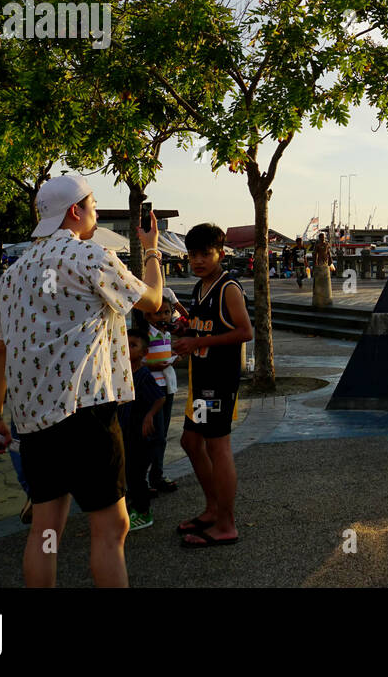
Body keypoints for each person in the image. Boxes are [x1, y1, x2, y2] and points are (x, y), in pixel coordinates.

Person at [0, 173, 166, 587]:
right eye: (94, 205)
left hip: (33, 422)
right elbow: (152, 300)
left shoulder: (12, 275)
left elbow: (1, 349)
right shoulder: (90, 257)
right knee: (110, 527)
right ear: (75, 211)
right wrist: (151, 252)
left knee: (46, 529)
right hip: (86, 414)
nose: (96, 214)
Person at [174, 223, 253, 548]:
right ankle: (212, 509)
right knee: (192, 443)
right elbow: (201, 331)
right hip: (202, 382)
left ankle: (226, 524)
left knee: (217, 447)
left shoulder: (227, 288)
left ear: (220, 253)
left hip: (218, 383)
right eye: (193, 255)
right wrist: (186, 337)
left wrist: (199, 341)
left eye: (205, 254)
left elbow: (245, 332)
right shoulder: (200, 288)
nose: (198, 260)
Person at [120, 326, 166, 531]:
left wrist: (149, 416)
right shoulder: (122, 372)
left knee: (136, 474)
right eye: (125, 344)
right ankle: (135, 507)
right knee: (130, 473)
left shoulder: (143, 374)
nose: (128, 349)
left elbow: (160, 397)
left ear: (143, 353)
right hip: (128, 433)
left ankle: (144, 512)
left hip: (142, 437)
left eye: (133, 345)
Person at [141, 290, 182, 495]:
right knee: (153, 435)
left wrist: (172, 354)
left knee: (163, 434)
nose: (164, 317)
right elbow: (138, 362)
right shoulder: (145, 336)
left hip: (168, 386)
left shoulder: (165, 333)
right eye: (158, 313)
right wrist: (154, 365)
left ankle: (157, 475)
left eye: (167, 312)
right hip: (152, 389)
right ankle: (144, 479)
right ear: (148, 315)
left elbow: (162, 354)